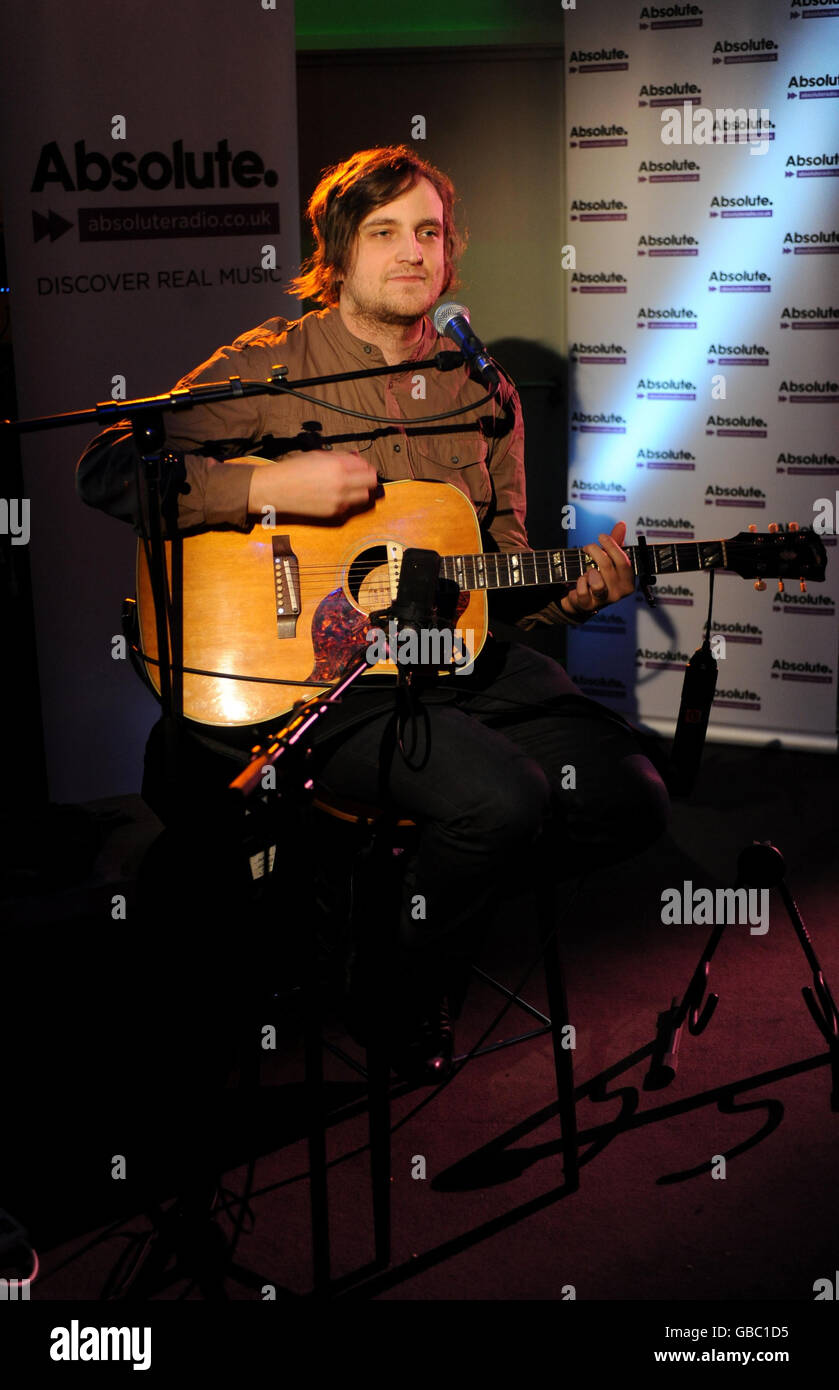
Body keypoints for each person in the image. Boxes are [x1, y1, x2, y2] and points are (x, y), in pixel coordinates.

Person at [77, 145, 669, 1082]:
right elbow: (109, 467)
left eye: (427, 232)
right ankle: (394, 983)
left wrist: (571, 590)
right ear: (337, 252)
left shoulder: (485, 392)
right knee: (502, 798)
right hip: (318, 674)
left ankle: (381, 905)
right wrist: (272, 484)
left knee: (627, 794)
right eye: (383, 232)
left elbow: (502, 576)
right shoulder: (273, 368)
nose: (410, 253)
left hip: (448, 658)